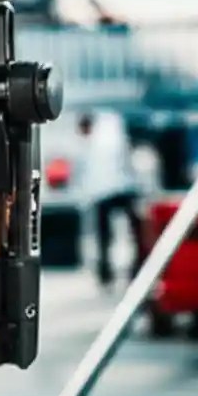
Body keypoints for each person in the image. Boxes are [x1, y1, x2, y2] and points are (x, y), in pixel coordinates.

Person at [76, 110, 144, 287]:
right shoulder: (112, 132)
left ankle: (105, 272)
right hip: (124, 187)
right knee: (133, 231)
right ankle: (137, 265)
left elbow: (89, 171)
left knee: (105, 235)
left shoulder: (98, 140)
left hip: (106, 191)